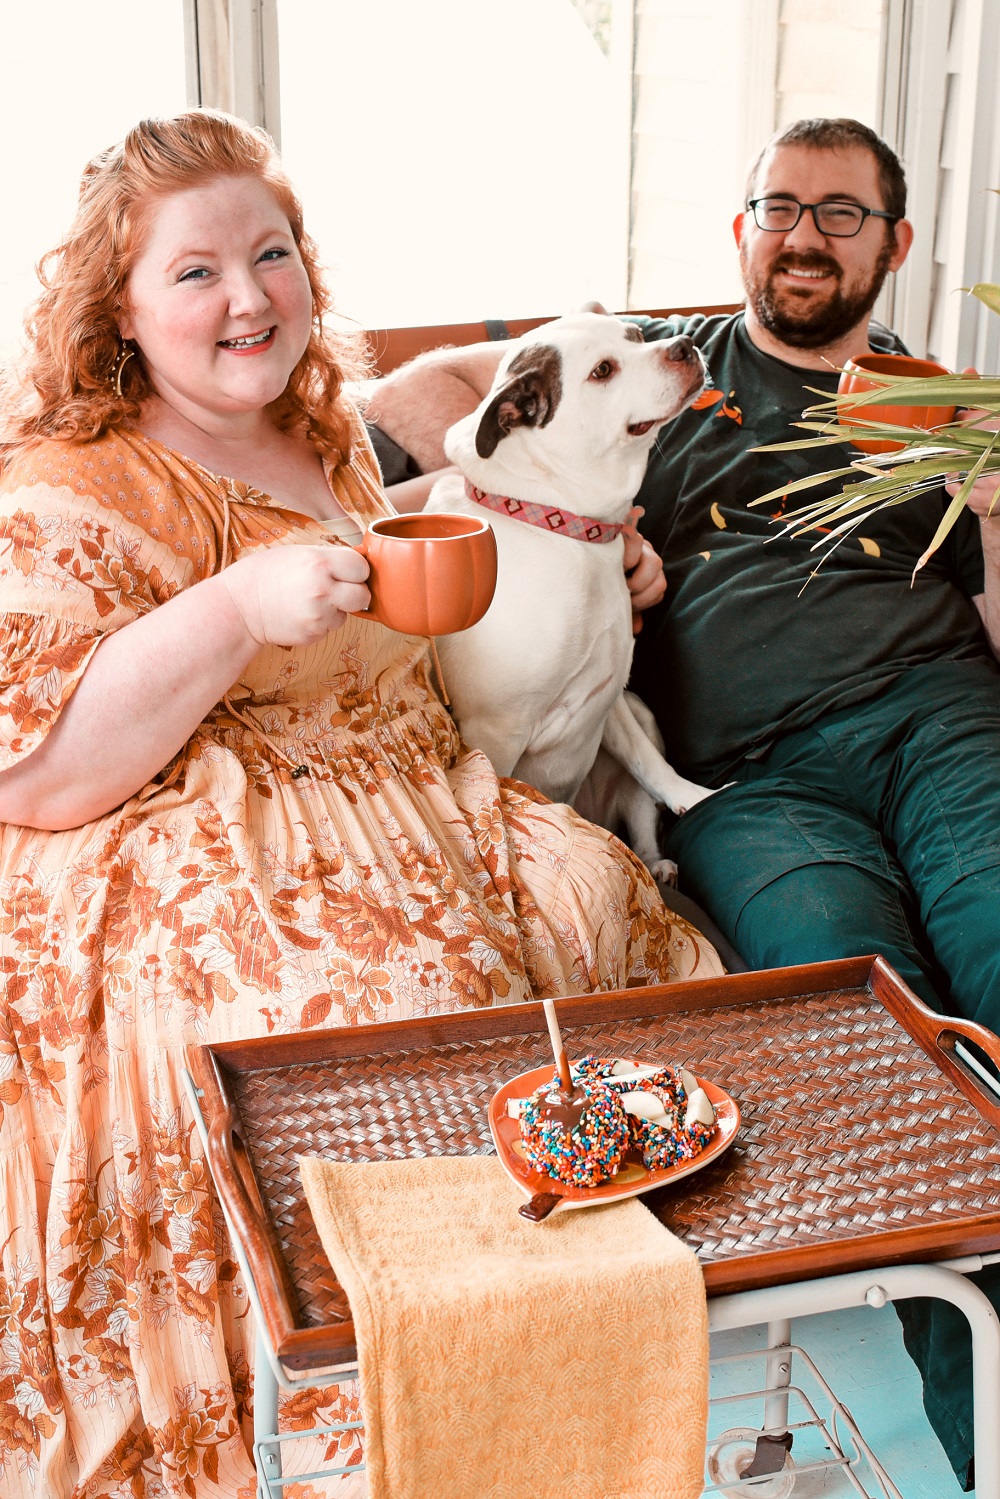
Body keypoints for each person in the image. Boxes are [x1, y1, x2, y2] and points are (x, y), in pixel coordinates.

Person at [0, 111, 725, 1498]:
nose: (251, 295)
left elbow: (417, 583)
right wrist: (231, 609)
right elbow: (40, 772)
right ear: (120, 307)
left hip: (404, 794)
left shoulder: (325, 439)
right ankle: (367, 1430)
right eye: (198, 272)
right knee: (387, 1026)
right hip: (184, 832)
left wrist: (590, 556)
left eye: (271, 254)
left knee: (622, 939)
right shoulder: (69, 480)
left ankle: (569, 1406)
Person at [367, 117, 1000, 1491]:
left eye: (843, 214)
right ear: (743, 235)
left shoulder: (938, 405)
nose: (805, 234)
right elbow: (418, 394)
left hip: (943, 721)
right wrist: (575, 522)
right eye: (781, 206)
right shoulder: (649, 364)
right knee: (858, 1021)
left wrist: (997, 513)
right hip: (753, 778)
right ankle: (983, 1413)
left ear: (893, 245)